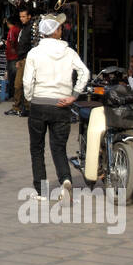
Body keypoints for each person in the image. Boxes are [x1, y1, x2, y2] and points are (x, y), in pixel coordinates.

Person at [23, 17, 90, 202]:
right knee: (58, 147)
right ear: (57, 31)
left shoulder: (34, 53)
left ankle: (41, 190)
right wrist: (74, 95)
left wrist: (30, 98)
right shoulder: (69, 52)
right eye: (60, 28)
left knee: (37, 148)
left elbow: (27, 81)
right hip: (61, 105)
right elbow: (84, 72)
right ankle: (66, 179)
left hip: (39, 104)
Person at [5, 8, 33, 117]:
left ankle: (21, 107)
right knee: (19, 84)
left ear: (29, 16)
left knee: (21, 84)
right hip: (21, 59)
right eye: (20, 17)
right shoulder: (23, 28)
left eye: (24, 16)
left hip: (26, 59)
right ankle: (21, 107)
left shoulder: (31, 28)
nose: (22, 19)